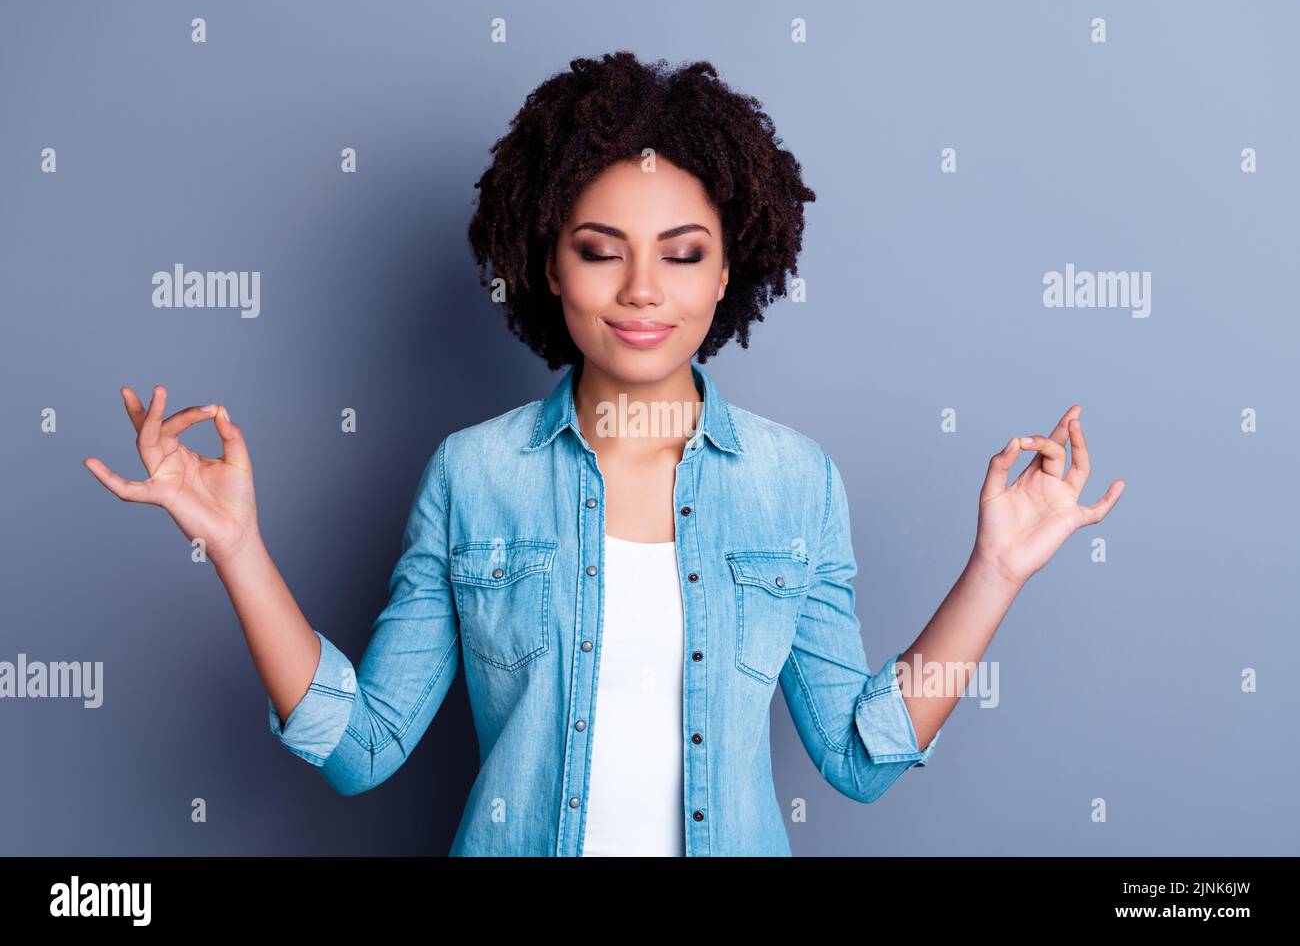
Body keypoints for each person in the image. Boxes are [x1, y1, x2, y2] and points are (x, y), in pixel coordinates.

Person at [83, 51, 1124, 856]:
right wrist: (236, 546)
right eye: (599, 249)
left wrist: (993, 570)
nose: (640, 290)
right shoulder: (473, 475)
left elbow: (857, 756)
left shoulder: (791, 482)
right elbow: (361, 747)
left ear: (728, 273)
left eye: (681, 254)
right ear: (547, 263)